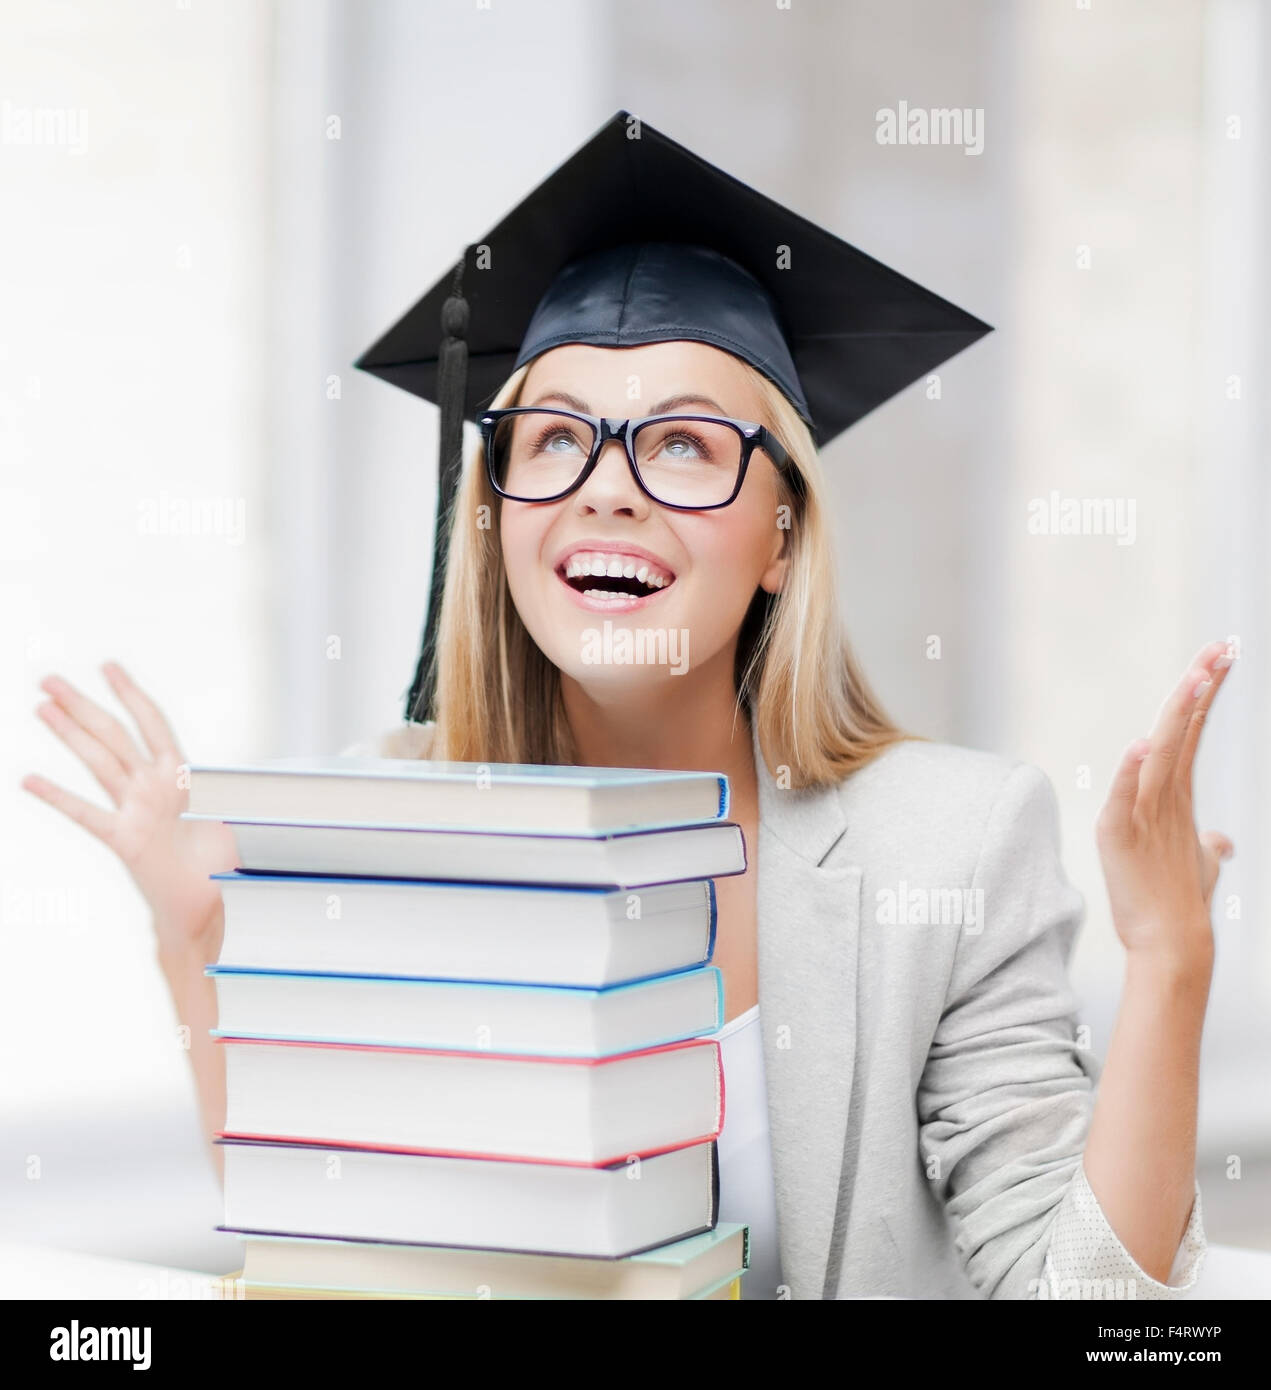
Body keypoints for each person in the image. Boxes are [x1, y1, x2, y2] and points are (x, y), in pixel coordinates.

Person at [23, 112, 1234, 1300]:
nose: (605, 488)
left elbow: (1079, 1301)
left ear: (780, 533)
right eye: (552, 440)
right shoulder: (397, 818)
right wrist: (196, 937)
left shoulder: (952, 846)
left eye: (685, 445)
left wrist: (1166, 958)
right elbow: (338, 1246)